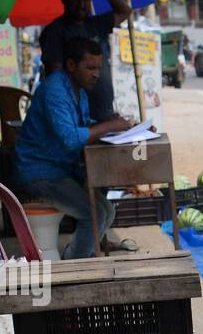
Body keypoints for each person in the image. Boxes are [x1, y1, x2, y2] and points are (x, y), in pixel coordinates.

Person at [14, 37, 133, 259]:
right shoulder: (54, 91)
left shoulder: (81, 93)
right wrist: (108, 126)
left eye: (98, 68)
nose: (96, 74)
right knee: (95, 214)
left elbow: (84, 126)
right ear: (71, 66)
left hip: (60, 172)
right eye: (90, 68)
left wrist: (116, 127)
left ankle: (78, 254)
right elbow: (70, 137)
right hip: (39, 174)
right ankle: (75, 264)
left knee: (108, 210)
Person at [39, 0, 132, 122]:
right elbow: (54, 75)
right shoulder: (55, 31)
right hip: (75, 116)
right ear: (64, 0)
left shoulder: (96, 24)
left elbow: (125, 11)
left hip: (104, 112)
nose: (81, 4)